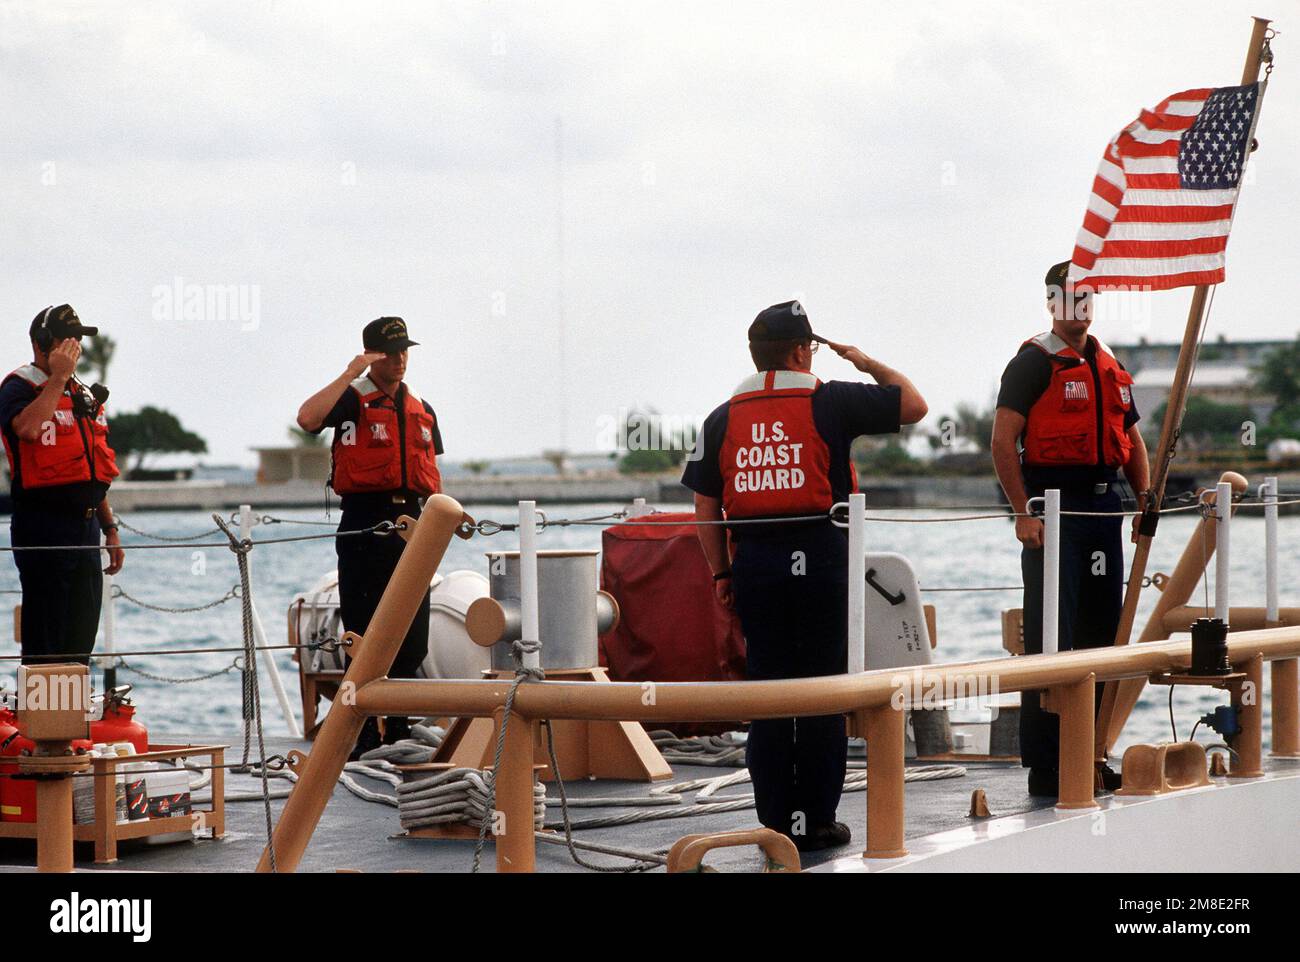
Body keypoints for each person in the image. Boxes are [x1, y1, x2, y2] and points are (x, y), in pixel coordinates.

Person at [682, 300, 927, 852]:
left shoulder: (722, 415)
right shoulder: (832, 400)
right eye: (811, 349)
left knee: (768, 691)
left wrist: (722, 571)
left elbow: (704, 502)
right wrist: (865, 362)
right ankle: (816, 821)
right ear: (800, 351)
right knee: (822, 691)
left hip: (756, 564)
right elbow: (914, 405)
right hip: (819, 557)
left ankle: (775, 822)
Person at [991, 261, 1151, 797]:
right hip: (1053, 511)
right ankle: (1047, 764)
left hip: (1104, 510)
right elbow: (1001, 440)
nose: (1078, 308)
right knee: (1049, 636)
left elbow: (1132, 440)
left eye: (1087, 298)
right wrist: (1022, 512)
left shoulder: (1107, 363)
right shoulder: (1033, 364)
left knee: (1102, 634)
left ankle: (1090, 751)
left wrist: (1144, 500)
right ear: (1051, 303)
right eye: (1068, 298)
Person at [297, 317, 444, 757]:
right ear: (372, 355)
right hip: (365, 522)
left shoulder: (422, 407)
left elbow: (433, 470)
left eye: (404, 351)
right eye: (390, 352)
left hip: (413, 524)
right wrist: (349, 373)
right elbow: (307, 418)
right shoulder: (351, 400)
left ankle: (397, 725)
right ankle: (360, 729)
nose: (400, 360)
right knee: (361, 629)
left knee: (411, 633)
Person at [0, 305, 124, 665]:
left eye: (78, 340)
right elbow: (26, 429)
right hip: (43, 525)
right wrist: (56, 379)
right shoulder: (18, 387)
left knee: (80, 635)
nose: (75, 347)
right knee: (47, 635)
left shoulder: (81, 394)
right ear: (42, 343)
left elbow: (91, 469)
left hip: (86, 529)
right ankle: (43, 720)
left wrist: (110, 528)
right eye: (66, 340)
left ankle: (68, 718)